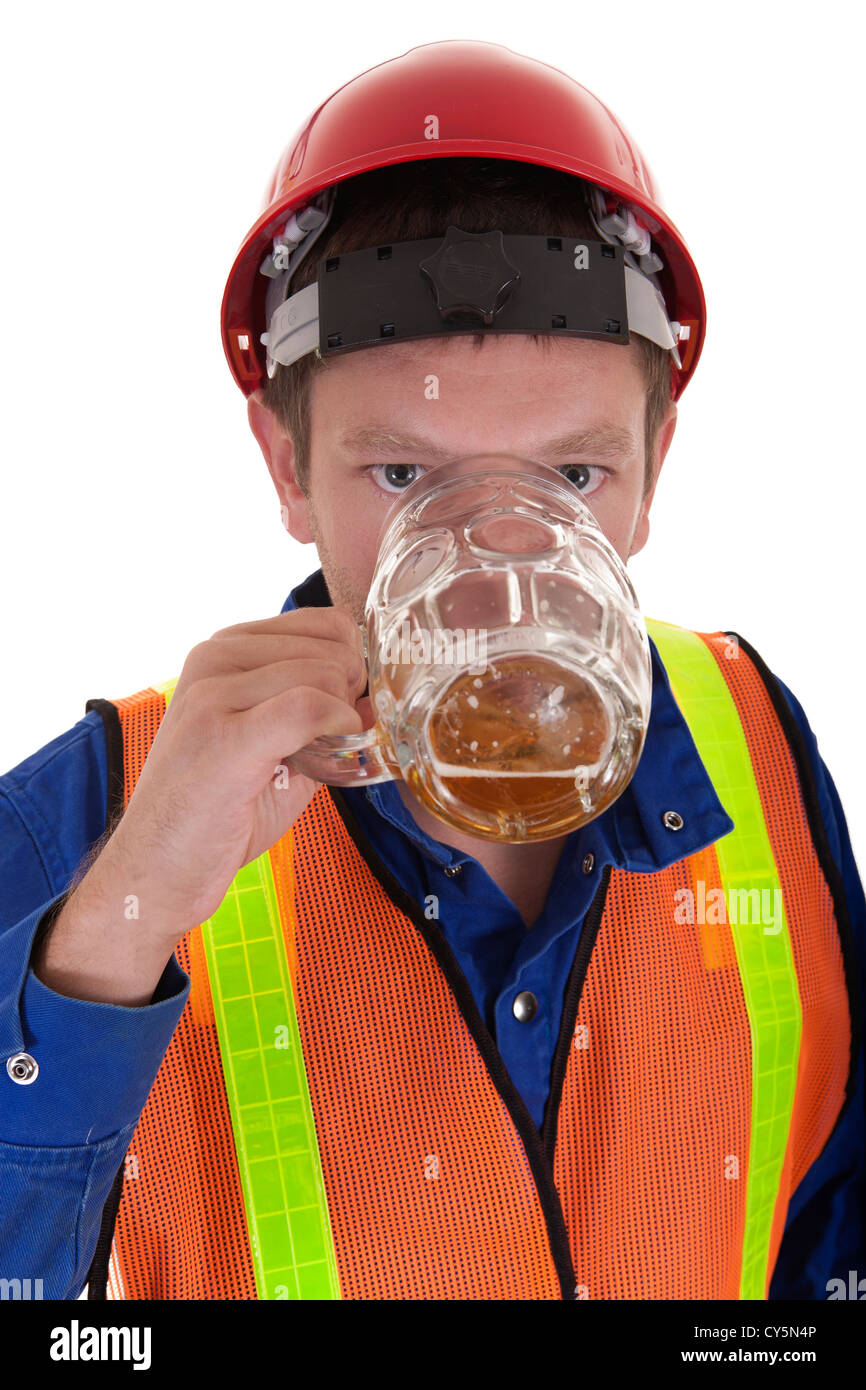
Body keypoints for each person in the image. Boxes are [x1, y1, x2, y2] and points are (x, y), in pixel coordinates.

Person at [1, 39, 862, 1302]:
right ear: (285, 466)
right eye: (403, 475)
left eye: (571, 475)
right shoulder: (100, 809)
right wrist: (119, 922)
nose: (495, 567)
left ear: (653, 465)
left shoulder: (754, 736)